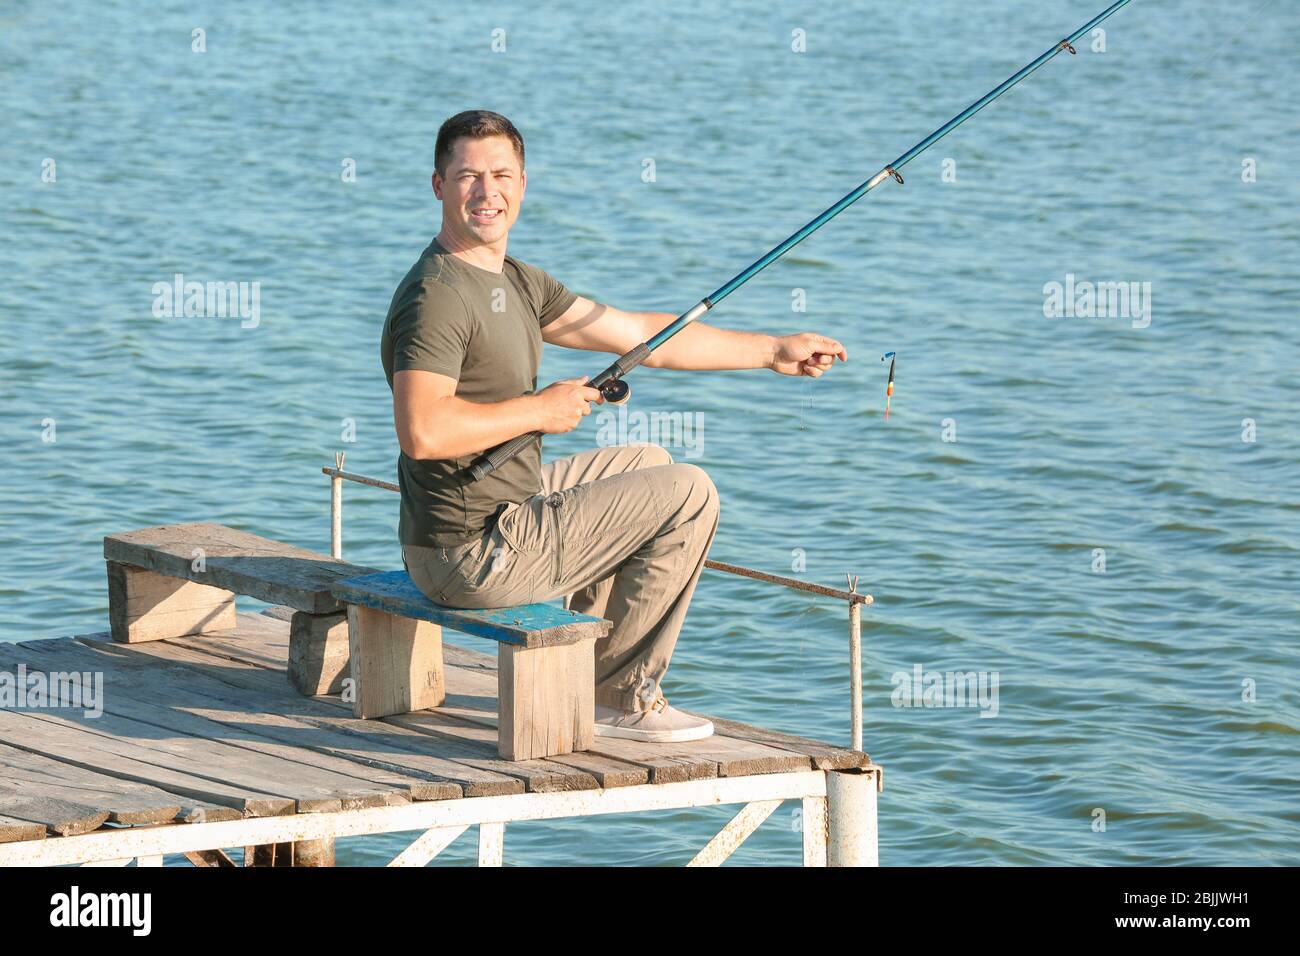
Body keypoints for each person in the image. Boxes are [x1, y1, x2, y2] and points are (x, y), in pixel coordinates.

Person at [381, 109, 848, 743]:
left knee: (649, 463)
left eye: (501, 175)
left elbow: (638, 335)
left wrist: (770, 351)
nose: (486, 193)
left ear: (523, 182)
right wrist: (541, 410)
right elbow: (424, 432)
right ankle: (621, 694)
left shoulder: (515, 281)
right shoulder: (436, 295)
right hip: (465, 555)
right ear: (438, 185)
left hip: (498, 515)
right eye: (467, 176)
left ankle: (588, 676)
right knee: (690, 494)